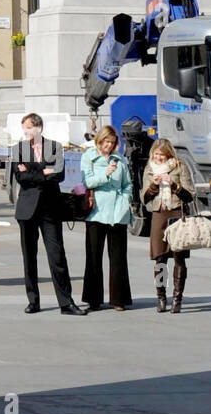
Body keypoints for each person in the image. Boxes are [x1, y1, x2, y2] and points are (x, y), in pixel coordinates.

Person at [13, 112, 86, 316]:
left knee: (57, 256)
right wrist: (44, 171)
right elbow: (20, 177)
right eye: (24, 128)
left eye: (28, 128)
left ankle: (66, 302)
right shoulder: (18, 149)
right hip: (27, 210)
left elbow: (59, 174)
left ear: (38, 127)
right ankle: (33, 300)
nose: (25, 132)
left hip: (50, 209)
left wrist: (35, 172)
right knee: (29, 258)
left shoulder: (55, 147)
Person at [79, 124, 133, 311]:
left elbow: (127, 184)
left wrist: (126, 199)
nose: (109, 146)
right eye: (106, 142)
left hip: (118, 212)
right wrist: (106, 173)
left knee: (118, 258)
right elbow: (88, 181)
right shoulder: (89, 157)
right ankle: (93, 299)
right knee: (93, 257)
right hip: (97, 212)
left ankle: (119, 299)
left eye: (112, 142)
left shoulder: (120, 159)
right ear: (99, 141)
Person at [142, 137, 194, 313]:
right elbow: (144, 198)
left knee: (179, 257)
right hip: (158, 214)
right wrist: (154, 186)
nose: (158, 158)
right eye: (156, 154)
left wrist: (174, 185)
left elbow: (190, 195)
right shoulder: (149, 169)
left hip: (177, 213)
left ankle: (177, 299)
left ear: (168, 154)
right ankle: (161, 297)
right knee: (160, 259)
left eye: (162, 155)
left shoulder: (179, 166)